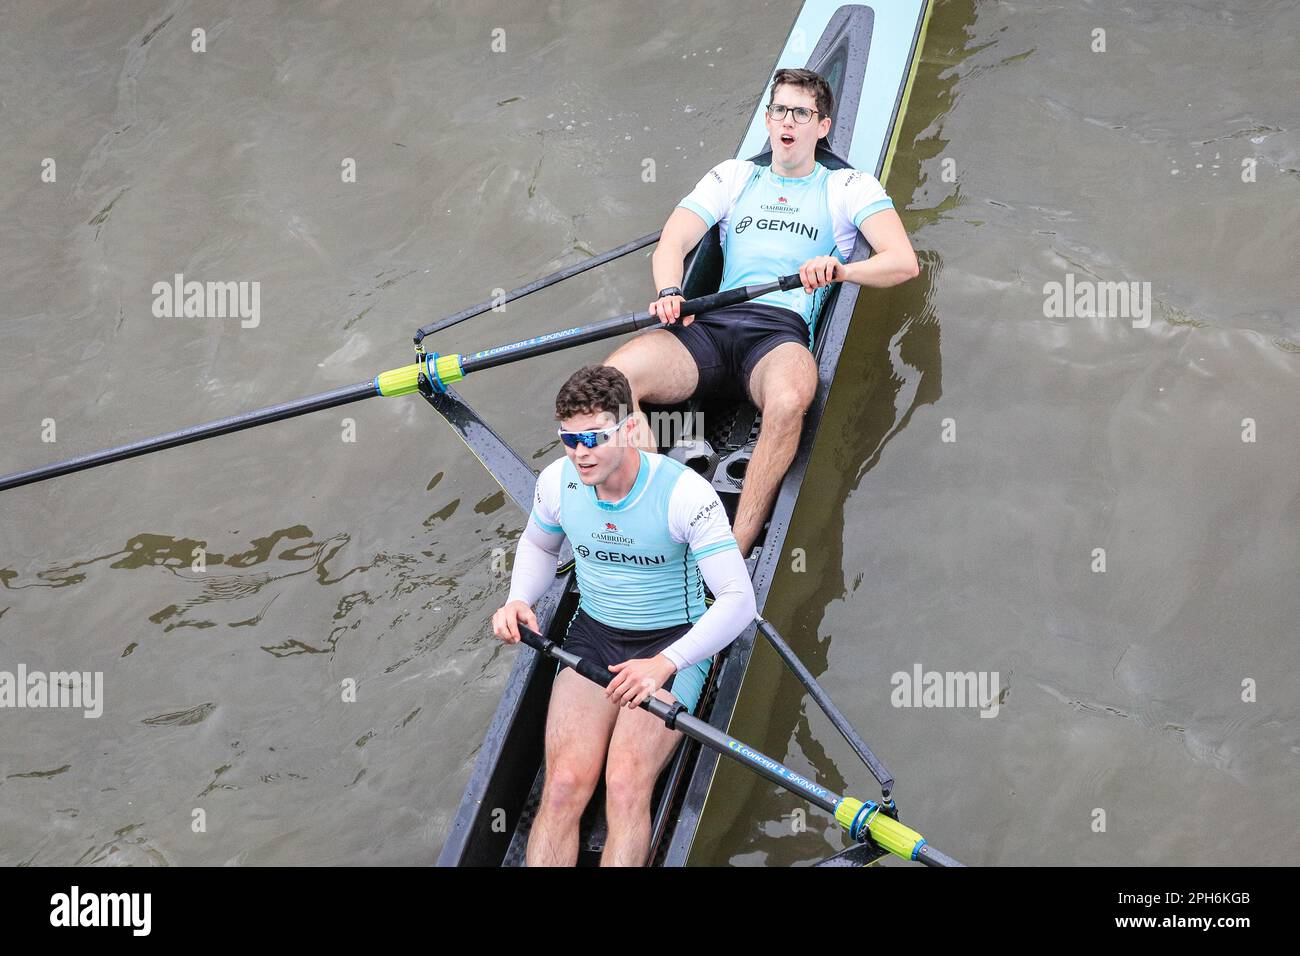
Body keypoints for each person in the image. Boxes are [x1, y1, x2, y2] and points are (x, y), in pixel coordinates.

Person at [605, 67, 920, 556]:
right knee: (611, 383)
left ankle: (734, 548)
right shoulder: (733, 176)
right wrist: (670, 289)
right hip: (709, 327)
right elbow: (672, 243)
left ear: (823, 126)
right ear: (768, 120)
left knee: (790, 400)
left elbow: (902, 263)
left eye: (801, 113)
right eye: (779, 110)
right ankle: (651, 516)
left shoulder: (848, 187)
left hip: (778, 335)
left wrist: (841, 270)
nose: (787, 120)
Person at [491, 365, 756, 866]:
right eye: (569, 438)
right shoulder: (557, 482)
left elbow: (739, 600)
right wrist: (519, 596)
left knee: (625, 784)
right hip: (593, 636)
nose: (580, 452)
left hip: (670, 644)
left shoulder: (683, 494)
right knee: (563, 785)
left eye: (594, 437)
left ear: (630, 428)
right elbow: (539, 546)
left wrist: (664, 664)